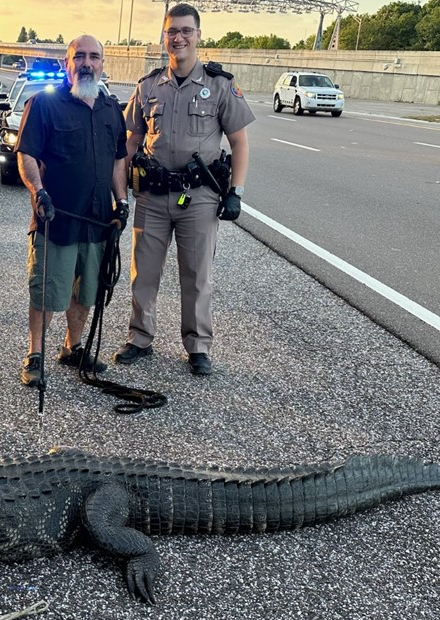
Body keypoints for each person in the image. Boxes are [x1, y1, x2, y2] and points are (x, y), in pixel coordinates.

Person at [115, 2, 254, 376]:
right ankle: (140, 338)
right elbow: (130, 142)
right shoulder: (148, 86)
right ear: (163, 37)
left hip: (199, 198)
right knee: (143, 272)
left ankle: (197, 347)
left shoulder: (219, 85)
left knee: (197, 274)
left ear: (198, 36)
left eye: (186, 31)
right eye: (172, 31)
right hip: (153, 196)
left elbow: (239, 142)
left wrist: (235, 192)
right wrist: (118, 191)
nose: (178, 37)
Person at [15, 34, 130, 387]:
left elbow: (117, 160)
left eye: (94, 56)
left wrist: (122, 202)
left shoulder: (112, 110)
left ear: (102, 63)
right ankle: (35, 354)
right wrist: (38, 191)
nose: (87, 63)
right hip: (57, 219)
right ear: (67, 63)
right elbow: (26, 154)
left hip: (96, 221)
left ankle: (72, 346)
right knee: (49, 290)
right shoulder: (44, 105)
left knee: (86, 290)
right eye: (79, 56)